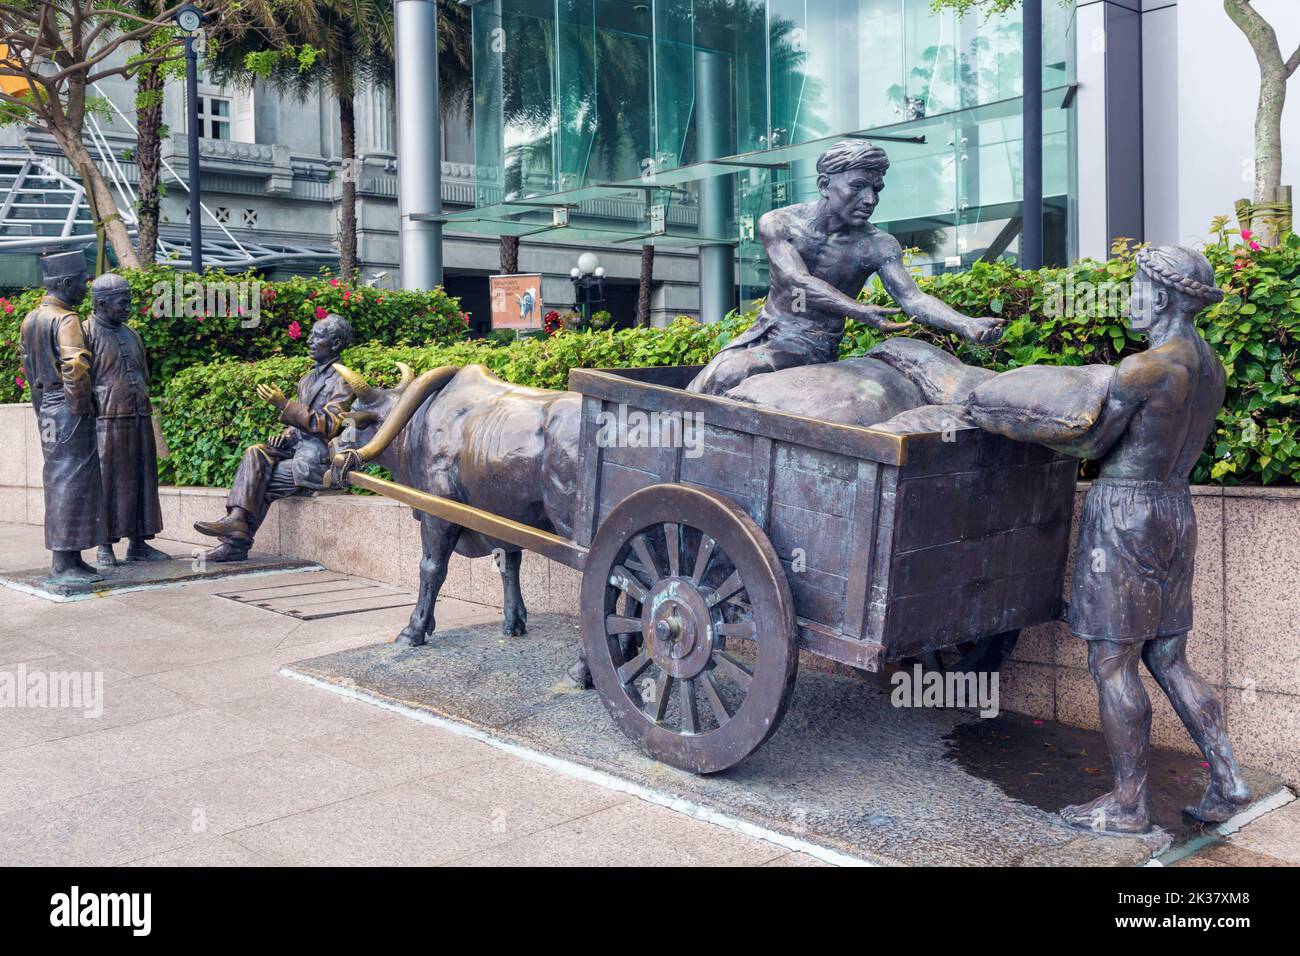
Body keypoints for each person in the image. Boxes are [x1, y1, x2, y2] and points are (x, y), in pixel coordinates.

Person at [1056, 245, 1250, 833]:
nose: (1130, 300)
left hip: (1126, 509)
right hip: (1175, 508)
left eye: (1137, 289)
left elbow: (1090, 446)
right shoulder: (1211, 364)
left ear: (1161, 297)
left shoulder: (1144, 368)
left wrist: (1026, 432)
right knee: (1167, 654)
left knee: (1113, 659)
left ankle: (1128, 804)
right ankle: (1227, 777)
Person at [687, 140, 1004, 396]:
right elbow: (798, 281)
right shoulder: (779, 223)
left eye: (876, 189)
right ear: (825, 184)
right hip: (764, 331)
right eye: (858, 187)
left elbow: (913, 299)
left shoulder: (878, 245)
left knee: (730, 373)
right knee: (707, 379)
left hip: (811, 345)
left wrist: (966, 325)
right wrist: (859, 311)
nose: (870, 199)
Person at [192, 313, 355, 561]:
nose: (309, 340)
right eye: (310, 334)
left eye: (317, 336)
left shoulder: (344, 380)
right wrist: (287, 435)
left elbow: (331, 425)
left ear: (335, 344)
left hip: (318, 462)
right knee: (255, 452)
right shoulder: (307, 379)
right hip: (298, 450)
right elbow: (302, 424)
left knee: (259, 481)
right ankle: (235, 526)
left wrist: (284, 405)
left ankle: (234, 543)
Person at [19, 251, 104, 584]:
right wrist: (81, 406)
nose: (86, 286)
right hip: (70, 407)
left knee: (59, 479)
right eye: (82, 280)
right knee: (73, 481)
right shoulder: (66, 320)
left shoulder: (30, 319)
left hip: (49, 406)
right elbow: (76, 366)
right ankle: (63, 564)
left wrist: (43, 409)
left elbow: (29, 371)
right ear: (66, 283)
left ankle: (71, 557)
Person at [82, 273, 167, 566]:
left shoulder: (132, 334)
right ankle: (104, 546)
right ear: (102, 303)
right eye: (122, 302)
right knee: (109, 483)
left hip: (139, 416)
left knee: (144, 479)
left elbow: (143, 372)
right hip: (107, 420)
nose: (128, 307)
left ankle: (140, 543)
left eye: (129, 301)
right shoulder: (85, 333)